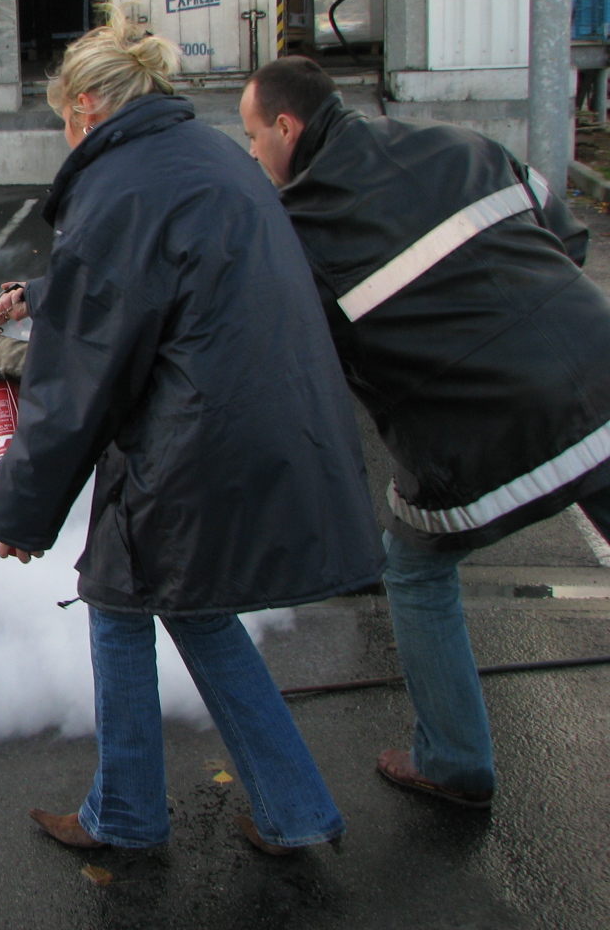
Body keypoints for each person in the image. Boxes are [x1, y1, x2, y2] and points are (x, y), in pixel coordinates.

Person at [0, 12, 384, 856]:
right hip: (259, 415)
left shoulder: (119, 183)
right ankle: (291, 809)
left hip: (194, 436)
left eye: (63, 119)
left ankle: (128, 814)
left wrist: (19, 512)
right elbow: (157, 275)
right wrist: (50, 295)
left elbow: (84, 374)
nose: (66, 136)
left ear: (88, 104)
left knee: (122, 596)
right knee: (180, 603)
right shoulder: (204, 156)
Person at [238, 56, 610, 809]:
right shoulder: (457, 141)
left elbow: (295, 369)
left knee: (414, 571)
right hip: (600, 381)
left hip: (479, 440)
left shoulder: (301, 230)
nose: (252, 156)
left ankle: (455, 761)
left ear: (287, 127)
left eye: (252, 138)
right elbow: (566, 239)